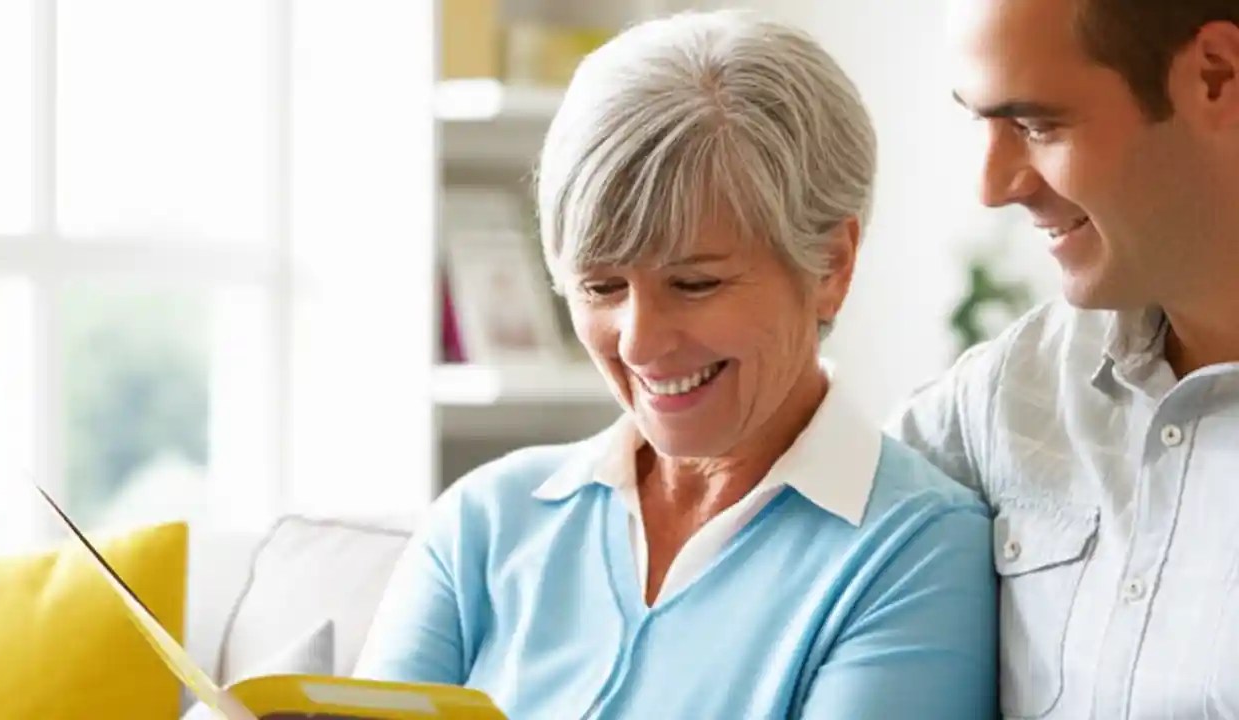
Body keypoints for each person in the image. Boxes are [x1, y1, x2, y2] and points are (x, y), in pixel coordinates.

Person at [356, 10, 996, 719]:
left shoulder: (916, 551)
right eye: (601, 287)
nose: (637, 343)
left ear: (831, 265)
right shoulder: (482, 526)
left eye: (694, 283)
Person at [890, 0, 1239, 717]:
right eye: (980, 122)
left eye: (1036, 125)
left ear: (1215, 75)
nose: (992, 187)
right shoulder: (1009, 390)